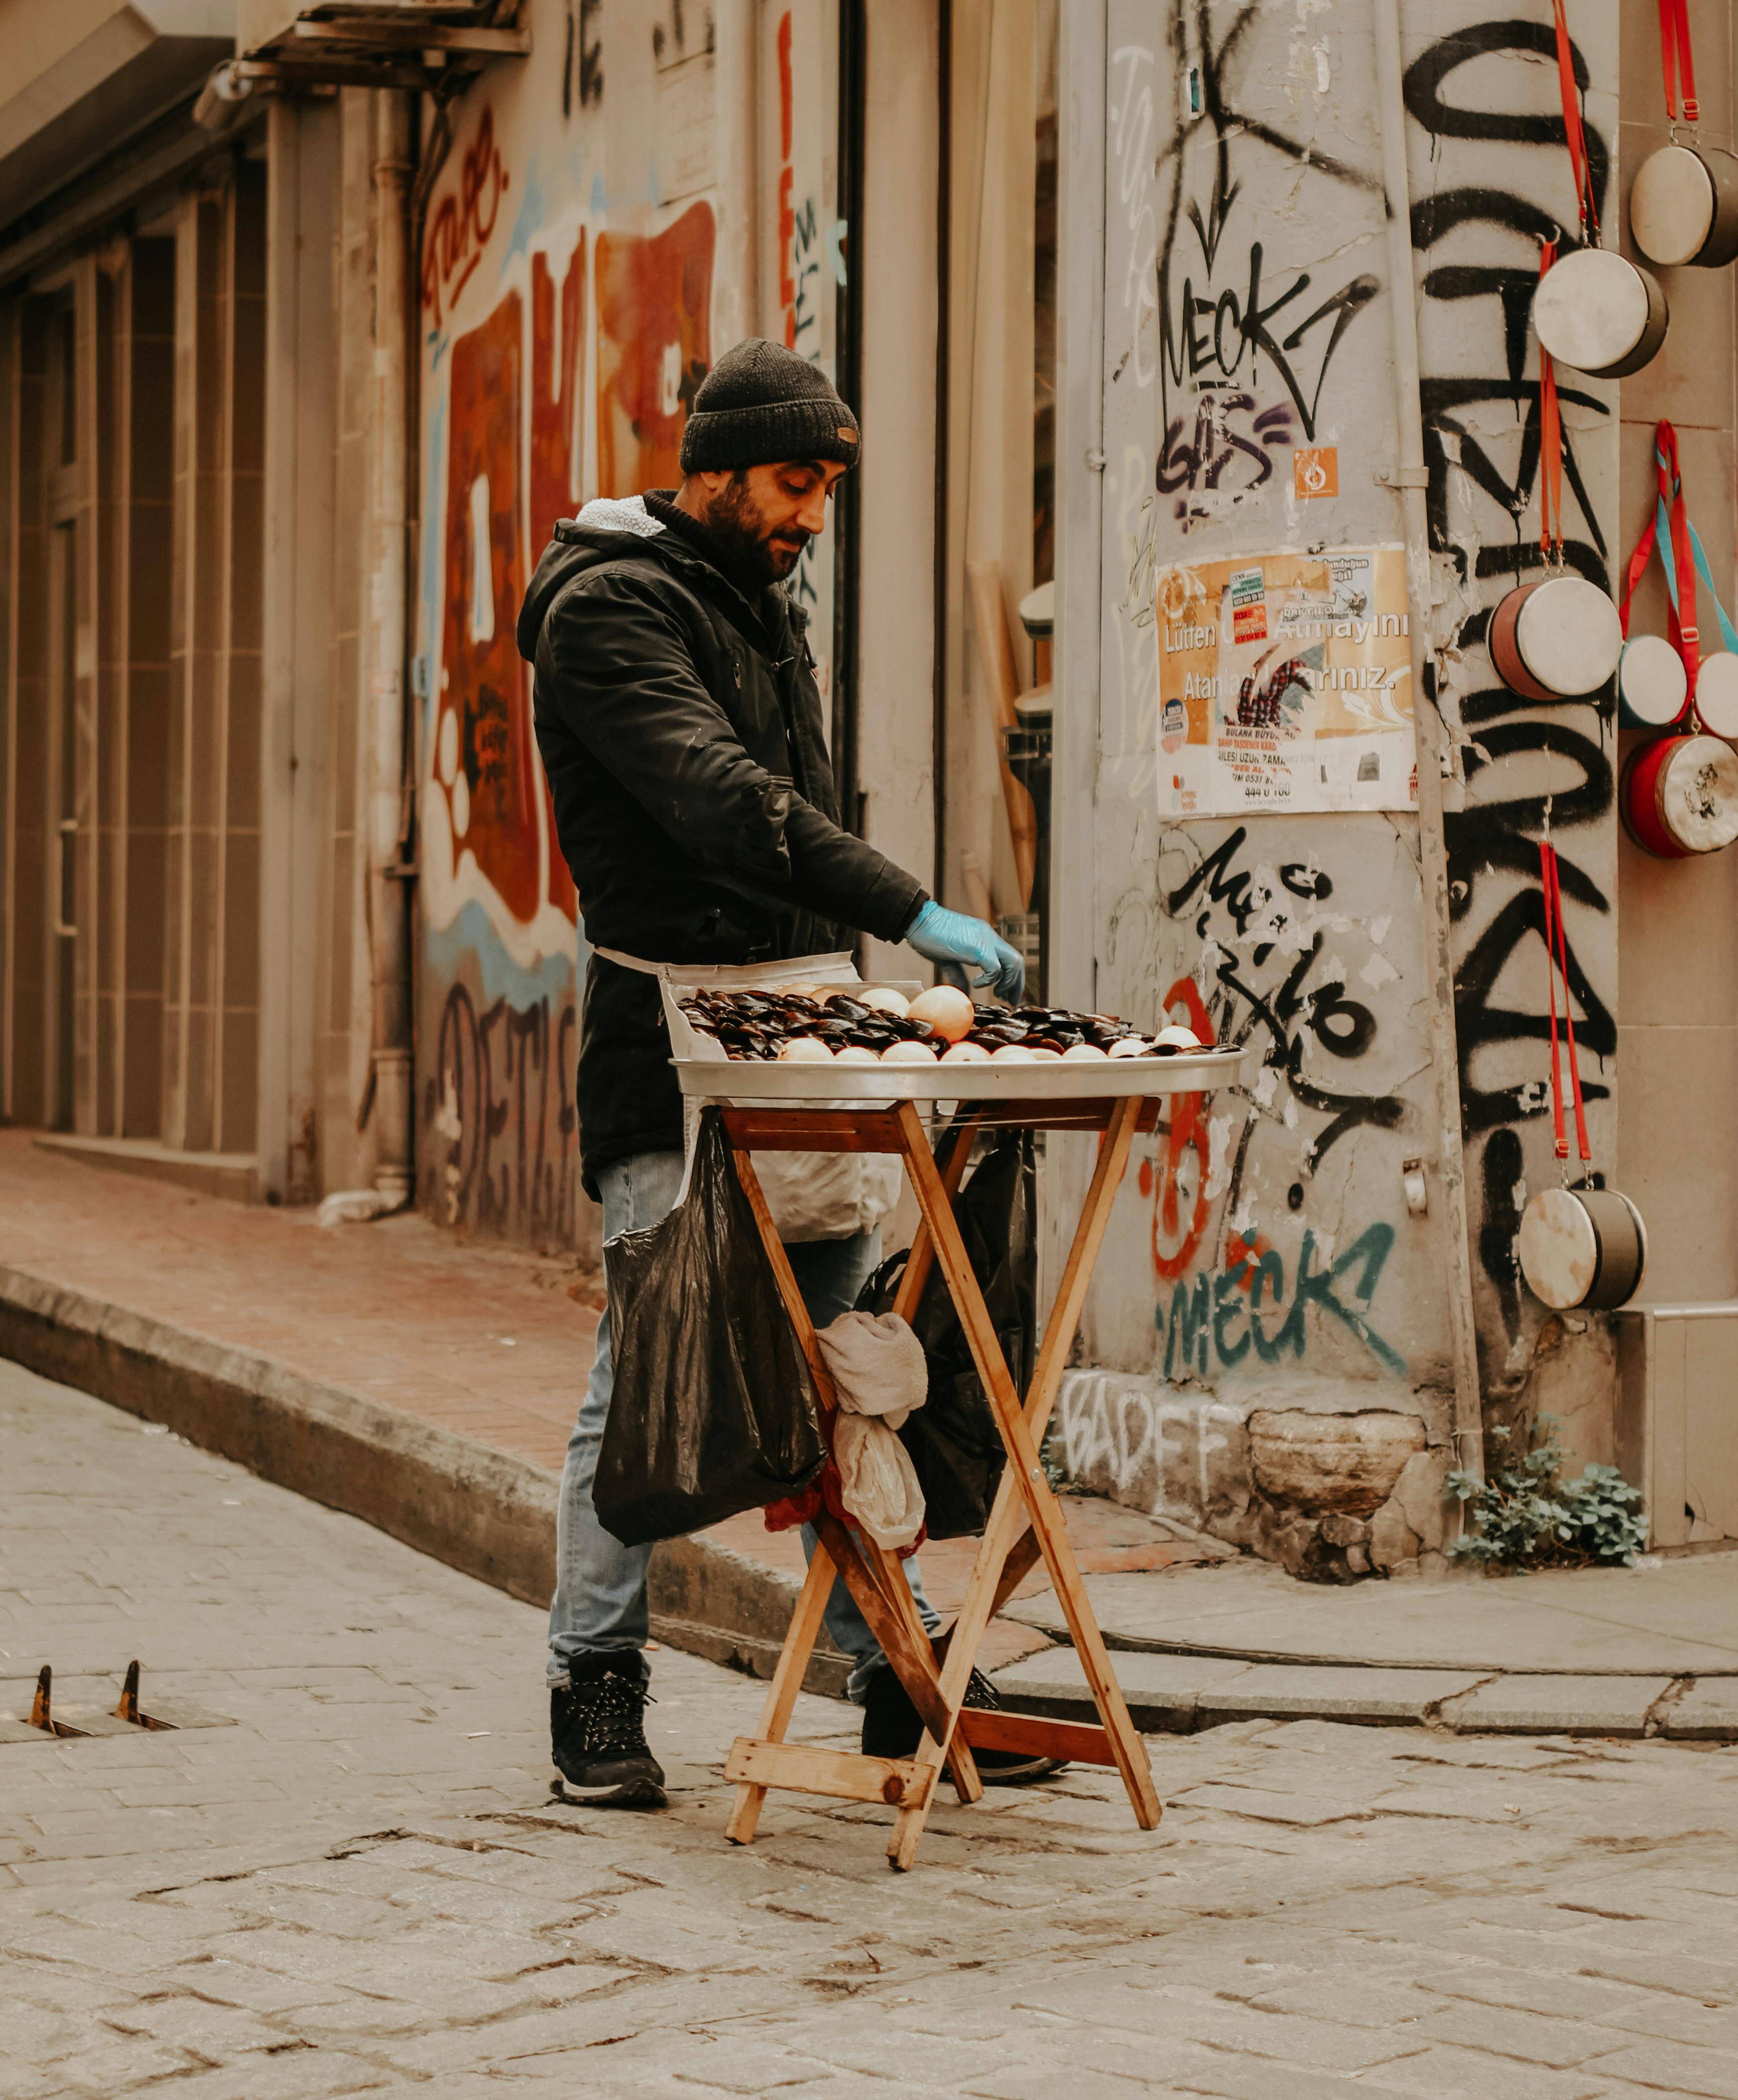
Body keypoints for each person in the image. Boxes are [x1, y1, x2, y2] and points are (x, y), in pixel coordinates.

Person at [516, 338, 1054, 1806]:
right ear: (712, 472)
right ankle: (594, 1677)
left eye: (826, 486)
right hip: (671, 1048)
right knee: (651, 1366)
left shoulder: (756, 596)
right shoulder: (608, 608)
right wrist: (912, 907)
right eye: (794, 481)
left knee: (843, 1374)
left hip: (804, 1032)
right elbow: (721, 800)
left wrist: (865, 968)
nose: (814, 511)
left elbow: (782, 808)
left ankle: (902, 1670)